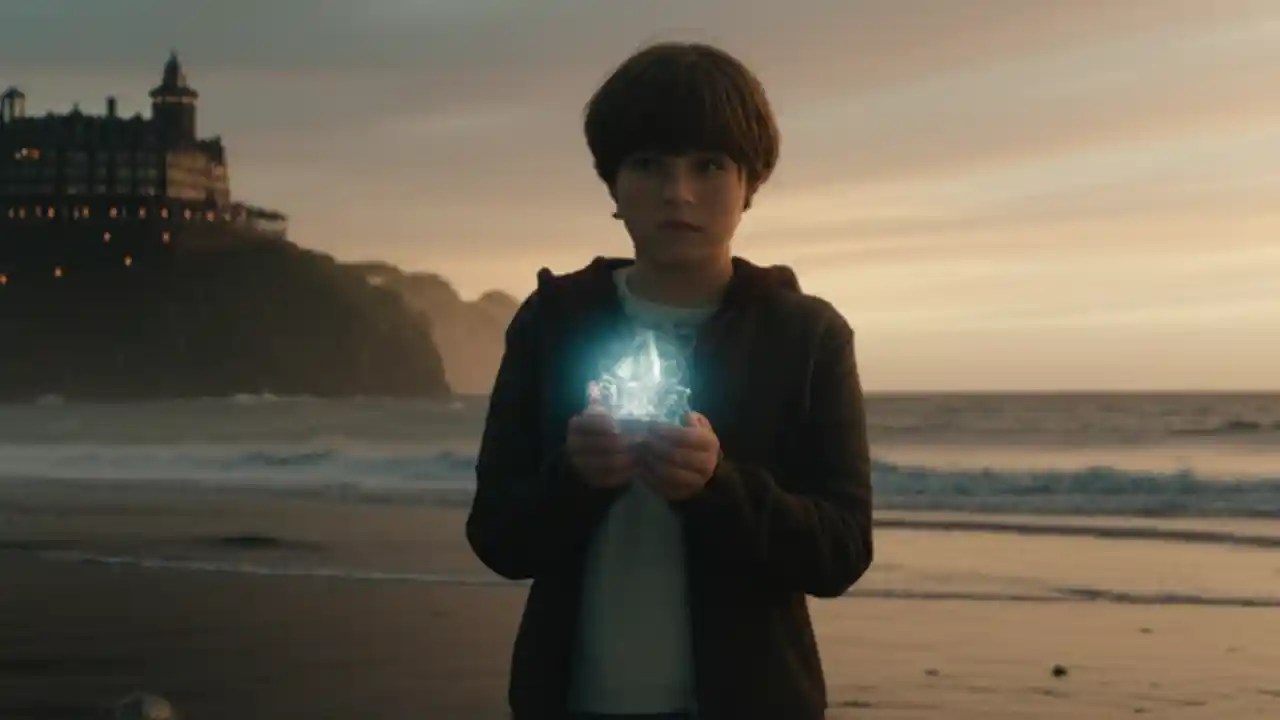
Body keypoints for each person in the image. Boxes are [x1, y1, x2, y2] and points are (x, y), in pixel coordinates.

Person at [466, 40, 873, 720]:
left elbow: (840, 552)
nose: (678, 192)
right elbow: (499, 539)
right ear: (613, 183)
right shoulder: (553, 322)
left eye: (709, 165)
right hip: (570, 699)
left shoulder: (806, 335)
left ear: (750, 183)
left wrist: (719, 485)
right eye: (649, 164)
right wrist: (576, 476)